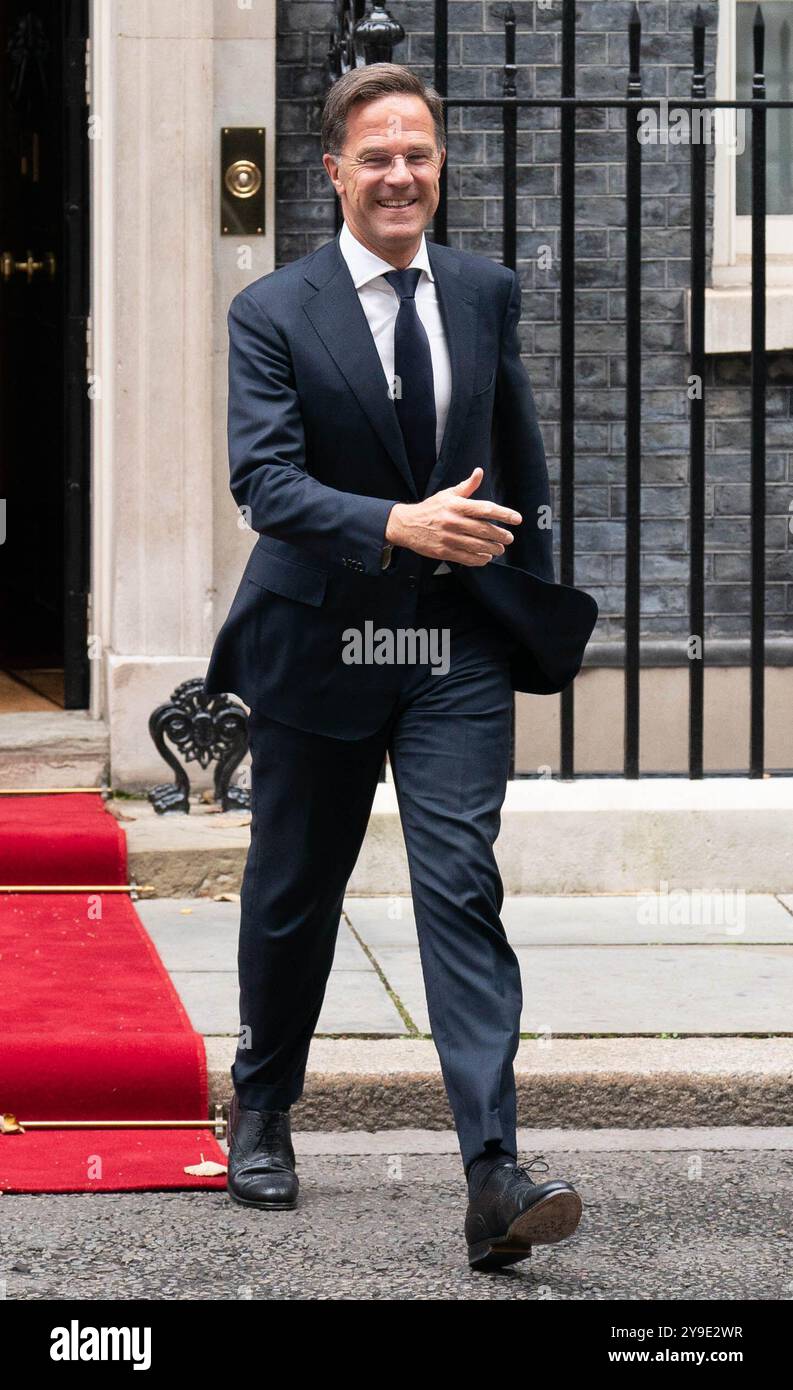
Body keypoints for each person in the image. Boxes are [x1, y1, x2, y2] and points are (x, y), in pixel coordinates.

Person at [204, 62, 597, 1271]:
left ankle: (493, 1174)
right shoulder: (274, 310)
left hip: (450, 648)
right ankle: (263, 1106)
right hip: (321, 640)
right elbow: (264, 482)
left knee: (457, 886)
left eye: (417, 153)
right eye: (375, 155)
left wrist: (507, 555)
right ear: (333, 173)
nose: (399, 175)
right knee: (292, 891)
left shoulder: (481, 290)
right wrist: (394, 522)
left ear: (439, 166)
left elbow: (515, 450)